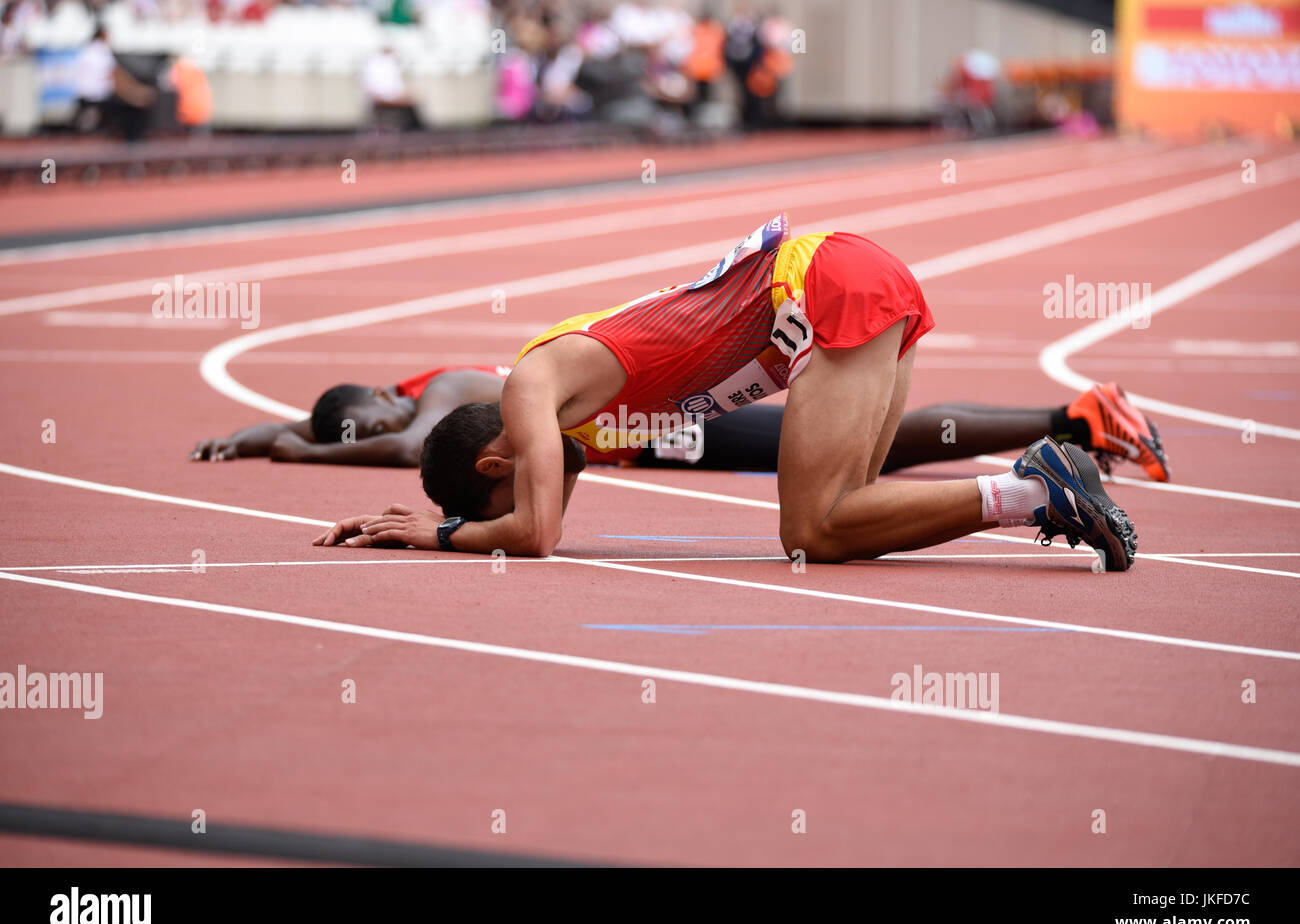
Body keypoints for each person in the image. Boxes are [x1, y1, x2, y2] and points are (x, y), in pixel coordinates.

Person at [313, 215, 1142, 570]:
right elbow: (544, 521)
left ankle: (1040, 488)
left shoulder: (533, 381)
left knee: (809, 531)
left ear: (500, 455)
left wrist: (440, 533)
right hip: (845, 280)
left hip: (820, 285)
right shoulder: (583, 434)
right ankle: (1036, 491)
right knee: (845, 512)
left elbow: (533, 535)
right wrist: (475, 519)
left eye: (501, 487)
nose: (535, 485)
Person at [193, 363, 1169, 481]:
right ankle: (1066, 423)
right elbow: (370, 424)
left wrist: (284, 446)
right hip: (655, 426)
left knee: (865, 451)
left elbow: (401, 445)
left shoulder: (443, 394)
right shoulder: (428, 383)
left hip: (663, 430)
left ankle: (1070, 420)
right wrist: (260, 431)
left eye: (349, 430)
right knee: (868, 449)